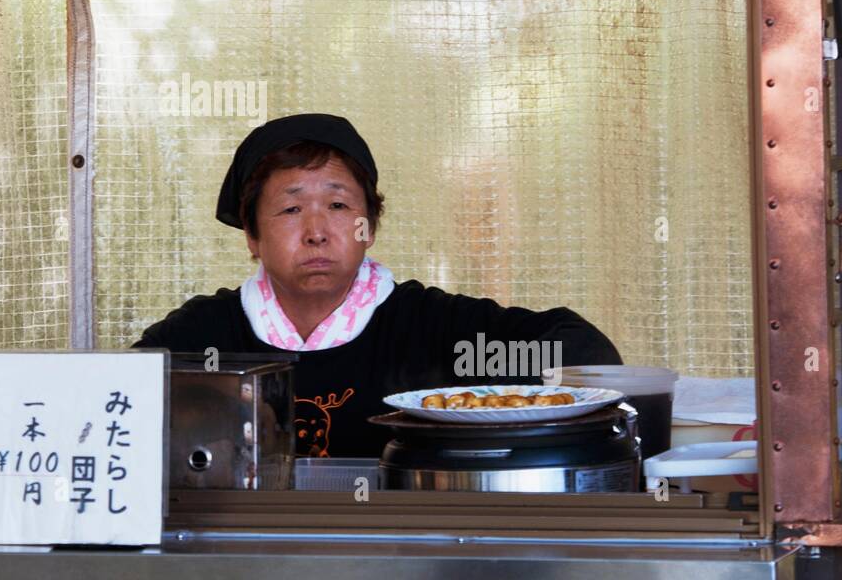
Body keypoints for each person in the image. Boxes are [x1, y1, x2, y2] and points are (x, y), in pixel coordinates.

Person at [135, 113, 622, 458]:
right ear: (252, 236)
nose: (317, 230)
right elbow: (112, 402)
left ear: (370, 225)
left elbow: (583, 354)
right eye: (290, 209)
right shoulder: (202, 339)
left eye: (340, 206)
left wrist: (474, 412)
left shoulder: (435, 330)